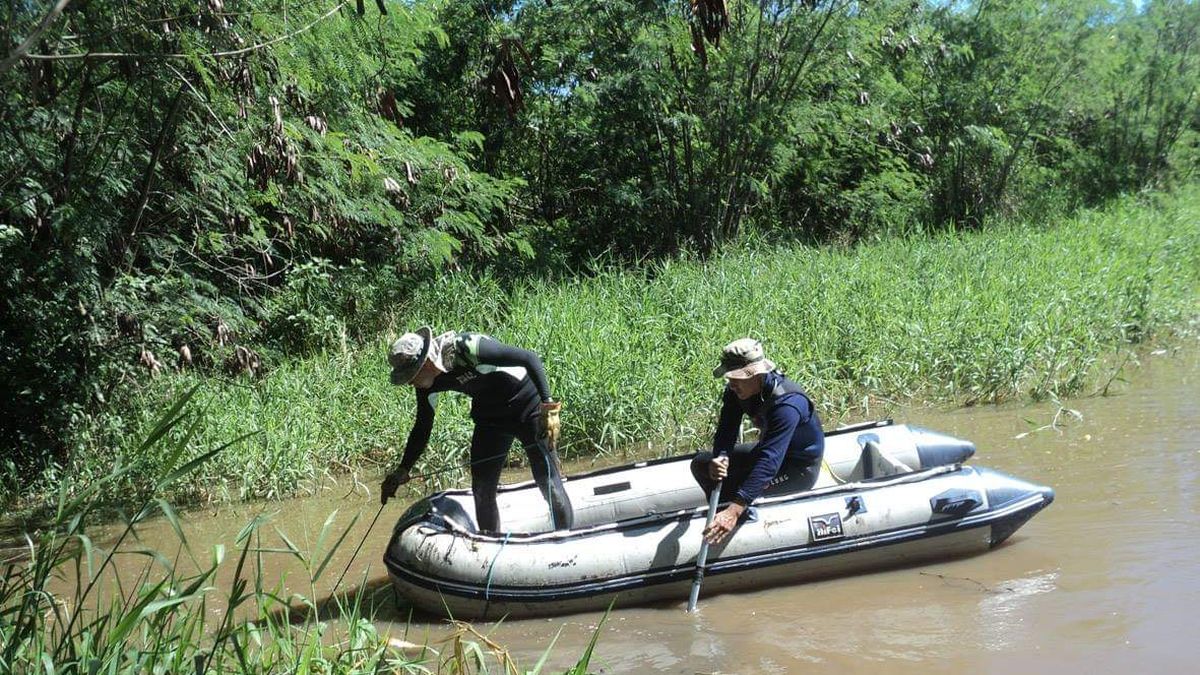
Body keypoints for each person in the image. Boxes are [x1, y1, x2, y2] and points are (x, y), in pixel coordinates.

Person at [380, 327, 574, 532]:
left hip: (528, 407)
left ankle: (566, 540)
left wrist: (549, 408)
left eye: (410, 376)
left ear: (425, 363)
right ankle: (489, 544)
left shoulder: (466, 348)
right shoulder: (426, 384)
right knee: (482, 490)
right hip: (490, 418)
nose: (410, 382)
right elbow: (422, 426)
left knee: (549, 484)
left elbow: (529, 358)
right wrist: (403, 469)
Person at [691, 338, 825, 545]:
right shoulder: (737, 391)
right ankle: (719, 517)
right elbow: (726, 431)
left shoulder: (787, 405)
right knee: (701, 464)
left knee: (736, 487)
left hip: (797, 468)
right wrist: (721, 457)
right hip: (769, 452)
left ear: (755, 374)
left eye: (736, 377)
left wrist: (734, 510)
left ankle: (734, 521)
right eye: (729, 377)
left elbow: (770, 461)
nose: (731, 383)